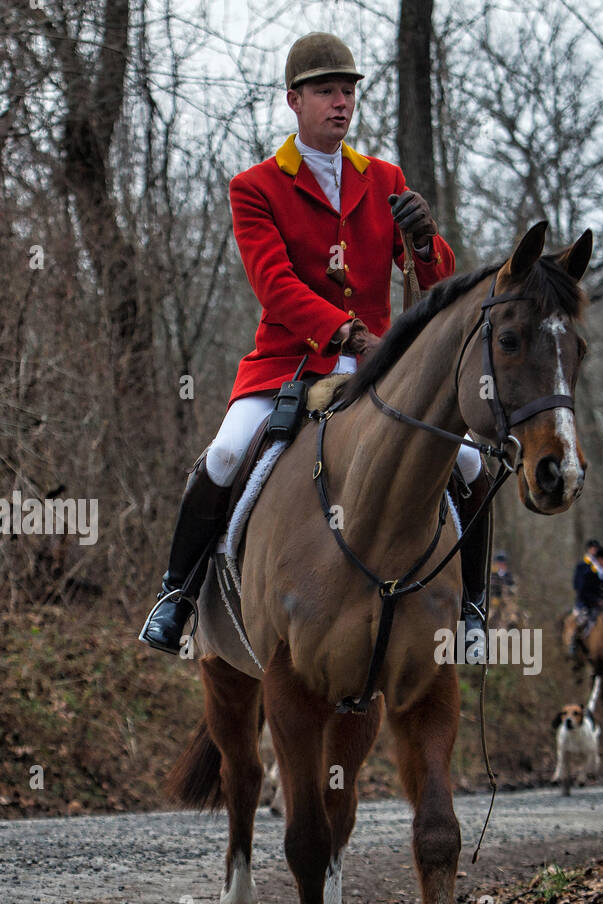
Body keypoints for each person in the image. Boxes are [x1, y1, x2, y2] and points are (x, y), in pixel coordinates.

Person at [139, 33, 490, 655]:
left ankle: (472, 608)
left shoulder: (383, 178)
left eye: (349, 91)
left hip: (384, 371)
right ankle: (177, 594)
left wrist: (425, 239)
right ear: (293, 101)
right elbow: (274, 285)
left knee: (468, 461)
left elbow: (436, 289)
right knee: (223, 455)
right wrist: (347, 330)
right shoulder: (256, 186)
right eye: (326, 91)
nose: (341, 102)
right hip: (289, 365)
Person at [569, 538, 603, 657]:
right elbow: (578, 585)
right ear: (588, 549)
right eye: (592, 548)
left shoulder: (602, 568)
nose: (594, 551)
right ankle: (574, 644)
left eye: (596, 549)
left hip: (600, 602)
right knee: (580, 621)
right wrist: (591, 598)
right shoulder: (582, 566)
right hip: (584, 601)